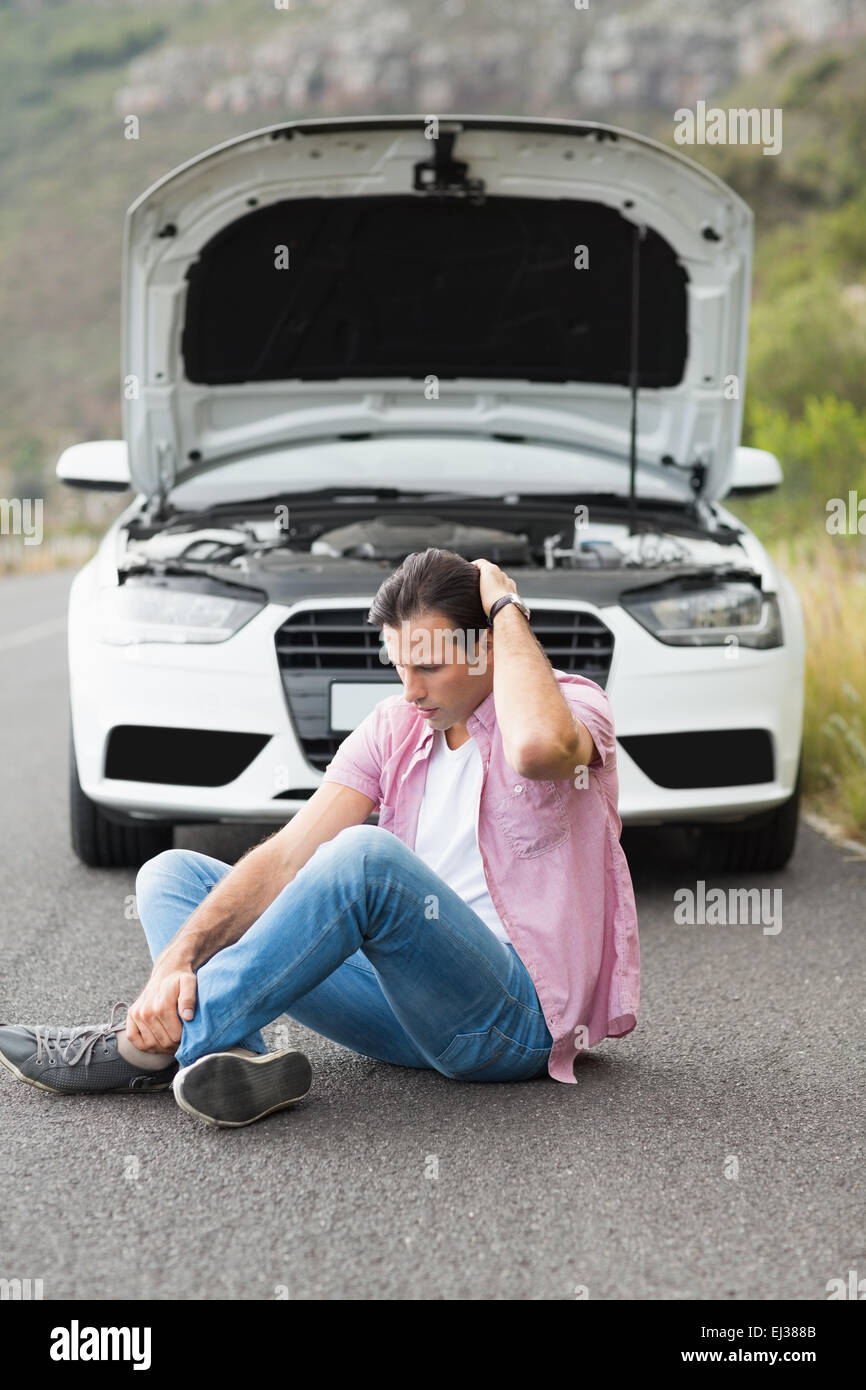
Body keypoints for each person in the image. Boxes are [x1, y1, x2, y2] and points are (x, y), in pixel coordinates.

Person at [0, 549, 639, 1128]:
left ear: (488, 648)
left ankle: (140, 1049)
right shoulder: (395, 728)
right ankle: (231, 1057)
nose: (410, 689)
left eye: (430, 666)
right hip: (402, 1008)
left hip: (508, 1022)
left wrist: (506, 608)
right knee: (170, 877)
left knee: (366, 860)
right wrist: (177, 956)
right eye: (399, 666)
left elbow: (537, 749)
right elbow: (287, 856)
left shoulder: (574, 706)